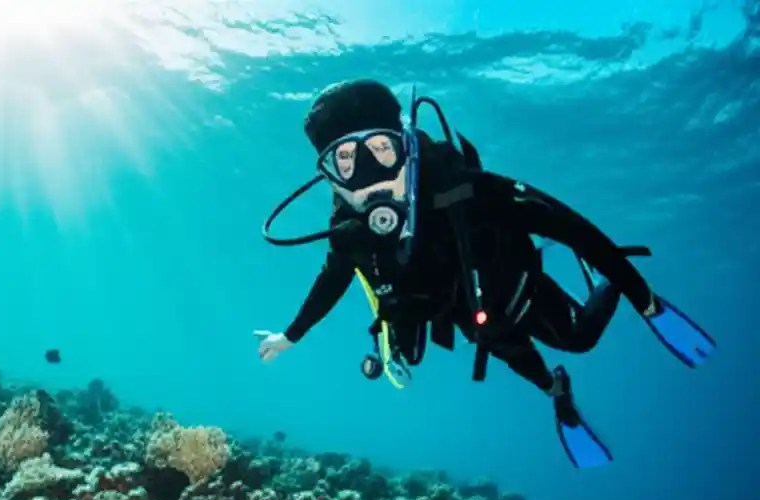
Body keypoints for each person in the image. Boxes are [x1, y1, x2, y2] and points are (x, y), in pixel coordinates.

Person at [255, 79, 716, 468]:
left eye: (381, 150)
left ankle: (609, 287)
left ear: (408, 147)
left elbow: (574, 229)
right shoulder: (349, 232)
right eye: (347, 162)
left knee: (578, 338)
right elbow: (332, 280)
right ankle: (558, 393)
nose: (371, 177)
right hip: (471, 317)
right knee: (514, 355)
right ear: (331, 179)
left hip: (514, 286)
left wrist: (647, 304)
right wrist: (291, 336)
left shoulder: (470, 191)